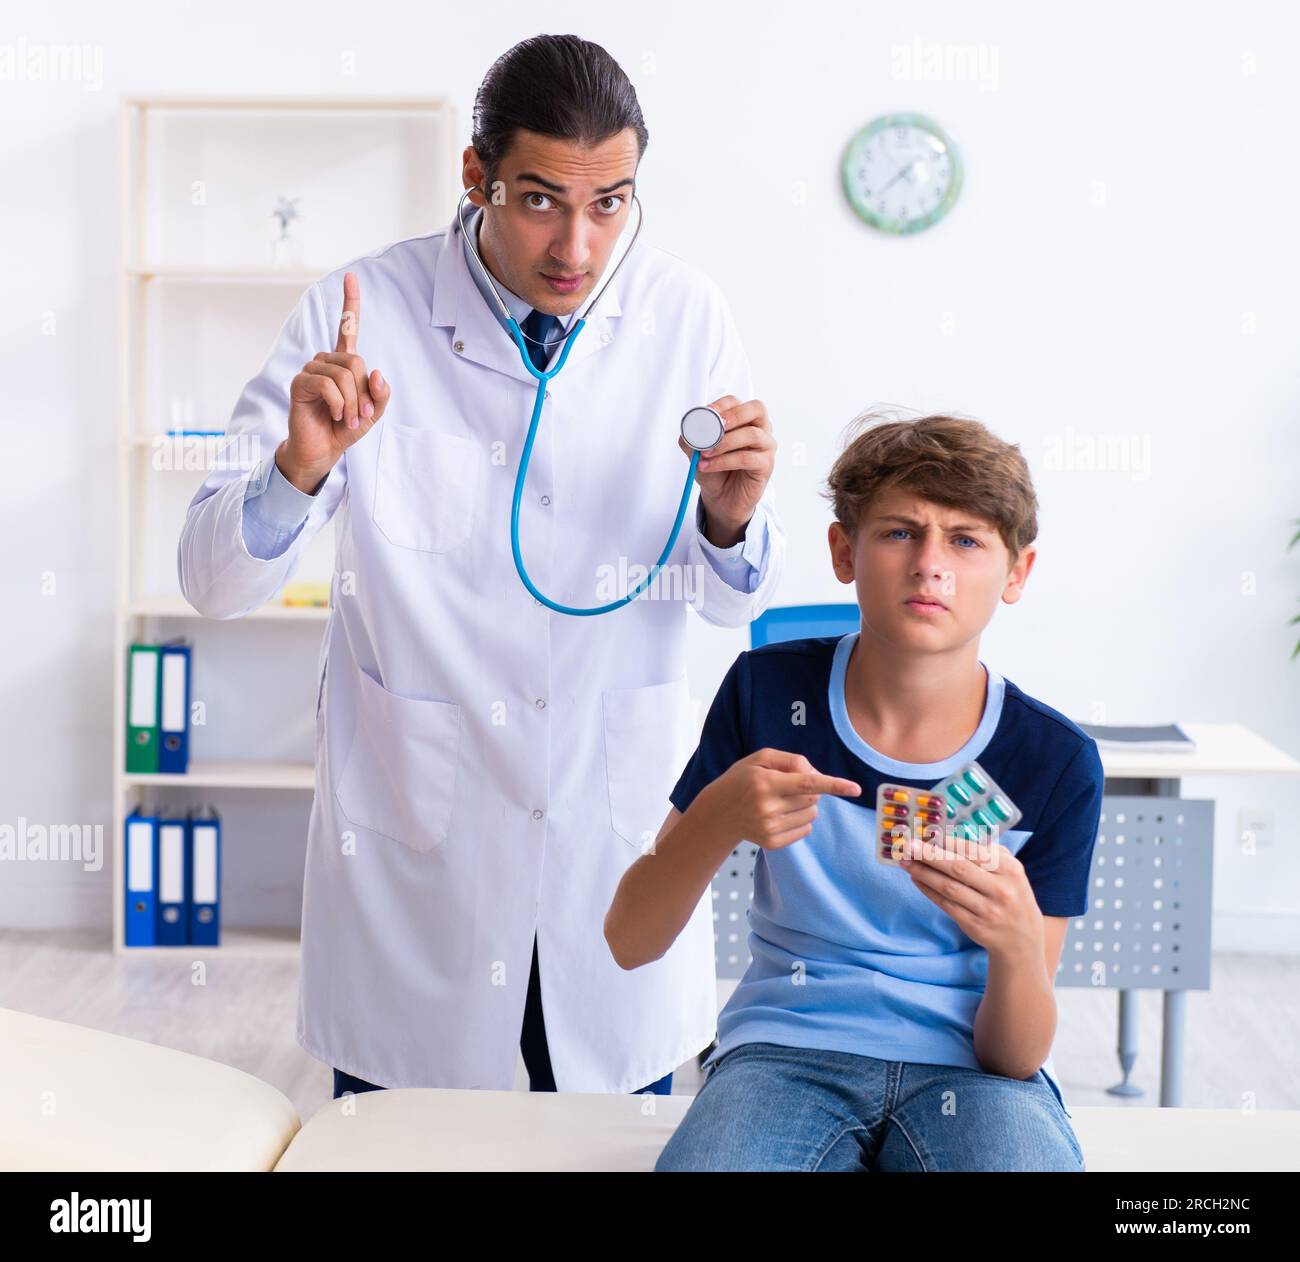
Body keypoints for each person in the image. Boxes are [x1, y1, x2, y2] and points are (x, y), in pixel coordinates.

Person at [177, 34, 785, 1098]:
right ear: (476, 175)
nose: (579, 246)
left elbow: (732, 603)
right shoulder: (358, 311)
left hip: (611, 834)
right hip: (421, 848)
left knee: (615, 1139)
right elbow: (213, 580)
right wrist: (297, 470)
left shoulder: (684, 314)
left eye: (611, 204)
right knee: (401, 1145)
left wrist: (730, 523)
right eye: (541, 199)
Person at [606, 412, 1102, 1169]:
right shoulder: (767, 693)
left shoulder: (1056, 760)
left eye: (966, 540)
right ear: (844, 550)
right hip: (784, 1054)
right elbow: (629, 939)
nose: (930, 564)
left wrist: (1015, 947)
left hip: (977, 1073)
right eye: (900, 532)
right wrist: (716, 818)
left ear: (1017, 574)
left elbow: (1016, 1054)